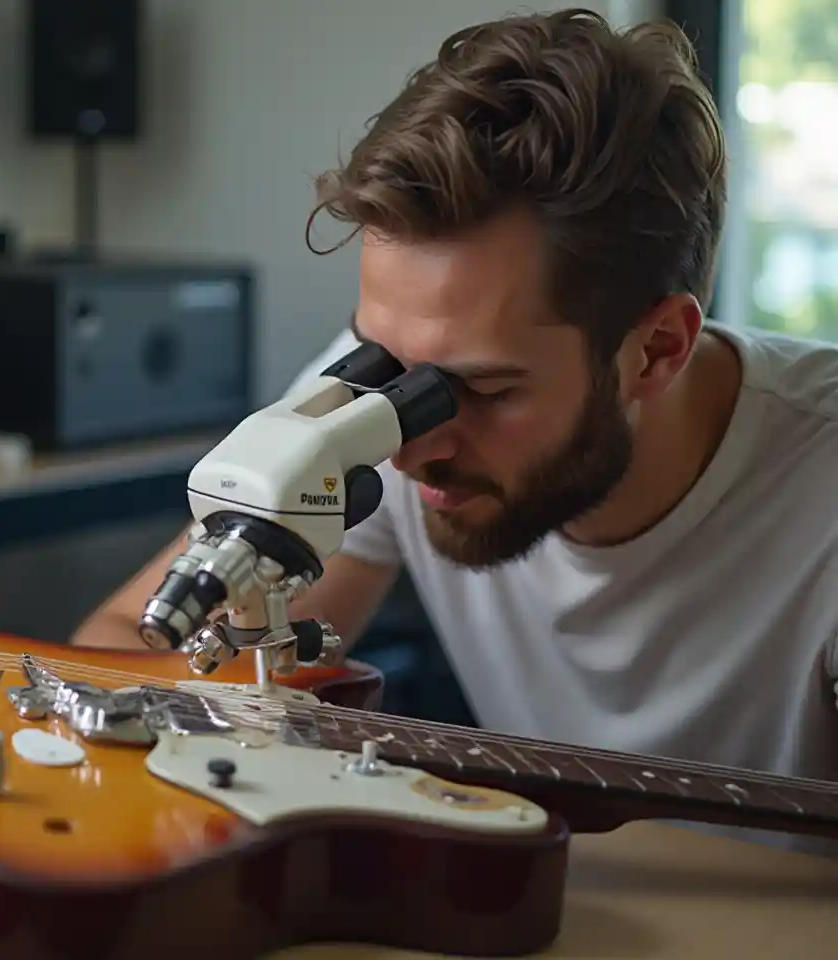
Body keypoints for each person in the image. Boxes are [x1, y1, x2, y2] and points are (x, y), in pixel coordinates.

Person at [70, 8, 838, 855]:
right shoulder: (387, 395)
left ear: (655, 351)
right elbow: (114, 660)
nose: (407, 445)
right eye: (385, 366)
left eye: (482, 388)